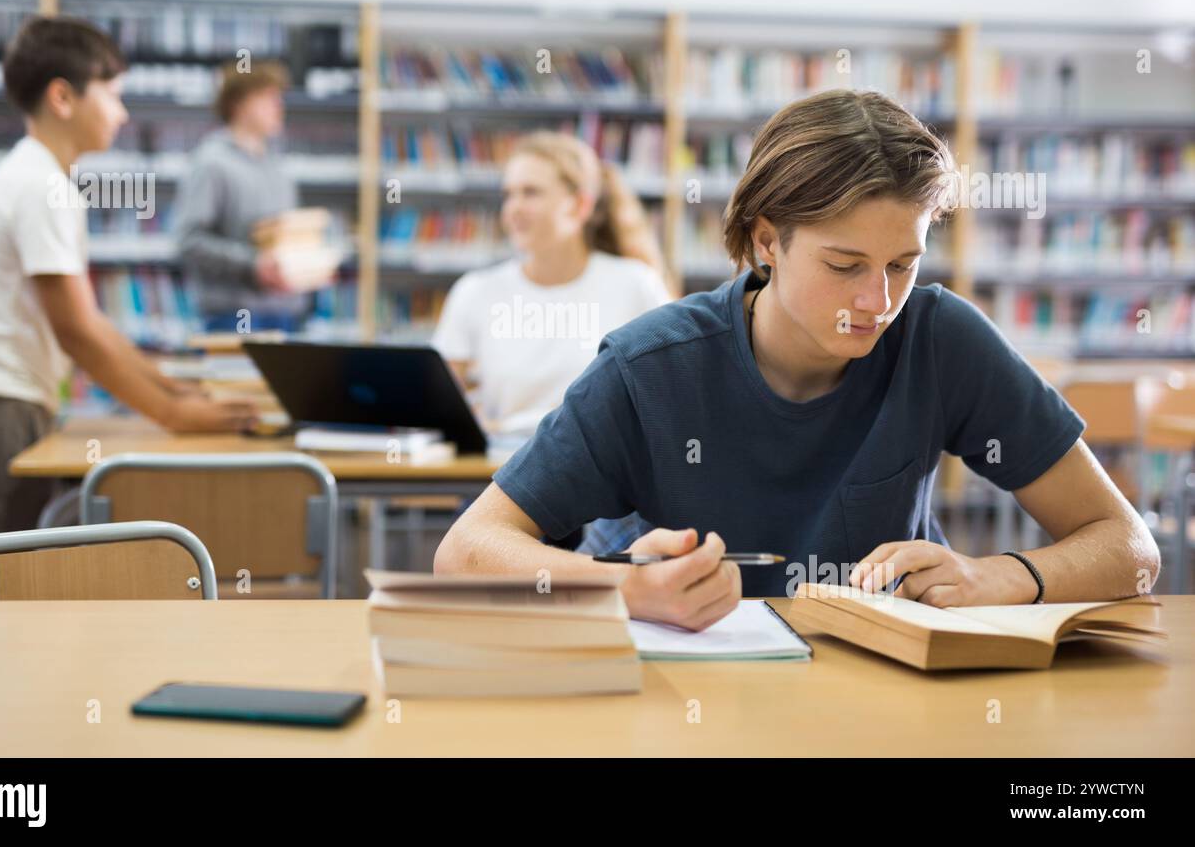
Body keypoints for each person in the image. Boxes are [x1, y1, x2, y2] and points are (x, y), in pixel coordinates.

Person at [435, 89, 1160, 630]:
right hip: (698, 697)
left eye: (902, 264)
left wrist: (1002, 576)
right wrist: (624, 588)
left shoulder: (941, 339)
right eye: (844, 264)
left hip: (886, 697)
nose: (878, 301)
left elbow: (1130, 546)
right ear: (766, 241)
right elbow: (466, 552)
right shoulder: (651, 366)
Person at [0, 16, 256, 543]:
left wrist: (172, 385)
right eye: (113, 95)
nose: (122, 114)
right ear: (63, 98)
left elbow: (89, 321)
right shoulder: (41, 187)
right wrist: (174, 413)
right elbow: (75, 331)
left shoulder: (38, 175)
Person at [431, 131, 671, 437]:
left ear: (580, 205)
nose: (514, 208)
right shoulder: (475, 291)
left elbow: (671, 389)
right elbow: (436, 406)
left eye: (531, 193)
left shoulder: (635, 284)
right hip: (503, 469)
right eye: (509, 194)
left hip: (605, 471)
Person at [177, 61, 324, 332]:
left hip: (285, 314)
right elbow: (189, 242)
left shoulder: (277, 165)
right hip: (234, 317)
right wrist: (253, 264)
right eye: (268, 98)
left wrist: (310, 265)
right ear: (239, 103)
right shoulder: (211, 163)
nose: (279, 107)